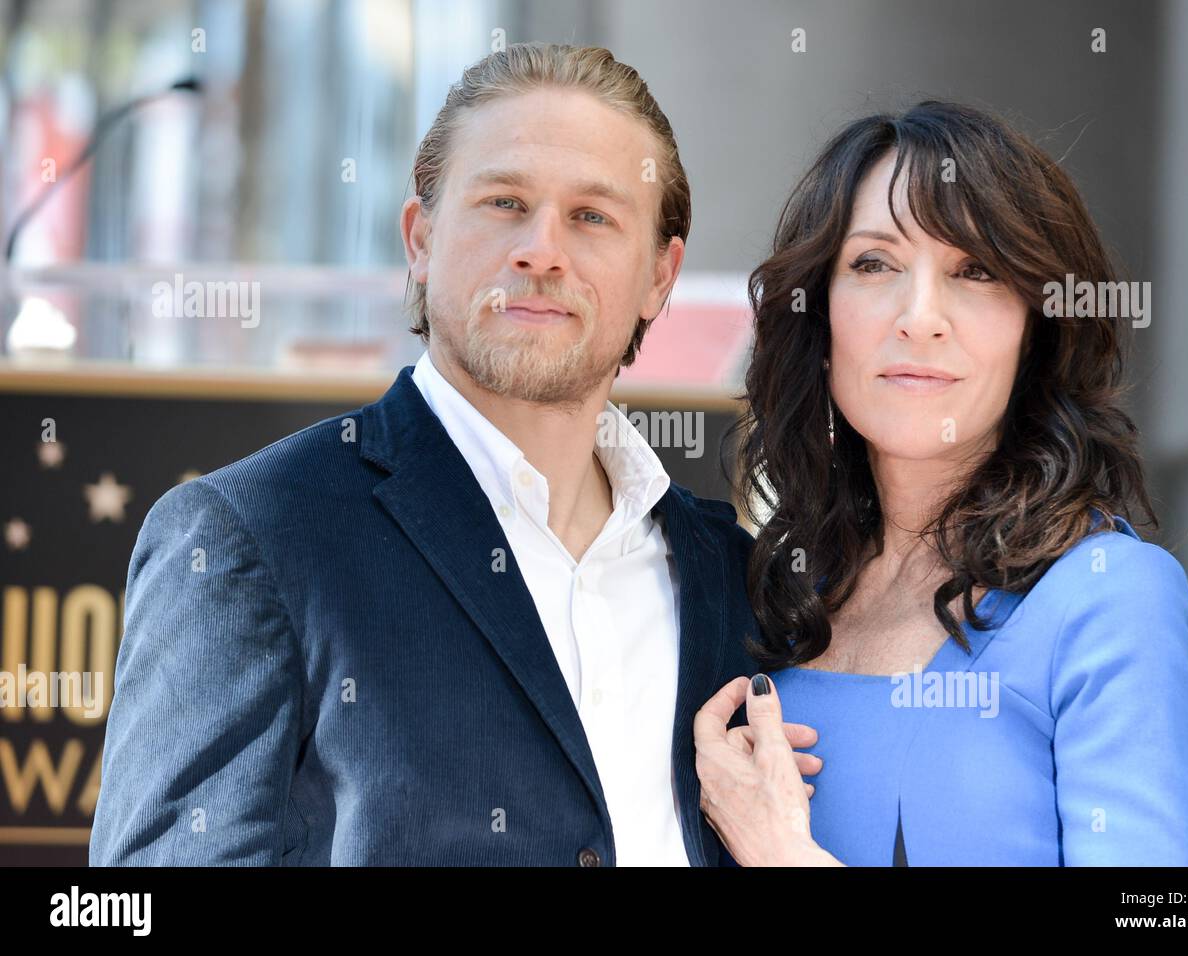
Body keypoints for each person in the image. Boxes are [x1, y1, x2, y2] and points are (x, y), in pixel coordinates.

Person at [90, 42, 811, 867]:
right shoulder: (251, 536)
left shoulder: (734, 576)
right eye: (505, 202)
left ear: (660, 275)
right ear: (421, 239)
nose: (542, 250)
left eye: (592, 216)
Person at [694, 101, 1188, 866]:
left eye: (975, 270)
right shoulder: (768, 592)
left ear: (1035, 326)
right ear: (819, 315)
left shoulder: (1109, 597)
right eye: (874, 264)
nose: (921, 317)